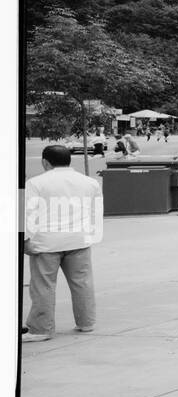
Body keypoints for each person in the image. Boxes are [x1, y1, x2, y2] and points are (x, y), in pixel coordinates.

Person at [22, 144, 102, 342]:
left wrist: (25, 240)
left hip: (46, 243)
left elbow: (28, 213)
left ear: (45, 162)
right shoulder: (89, 182)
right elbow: (96, 212)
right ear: (69, 160)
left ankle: (41, 329)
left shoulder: (36, 183)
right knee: (82, 283)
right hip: (79, 240)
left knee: (43, 286)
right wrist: (90, 236)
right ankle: (86, 323)